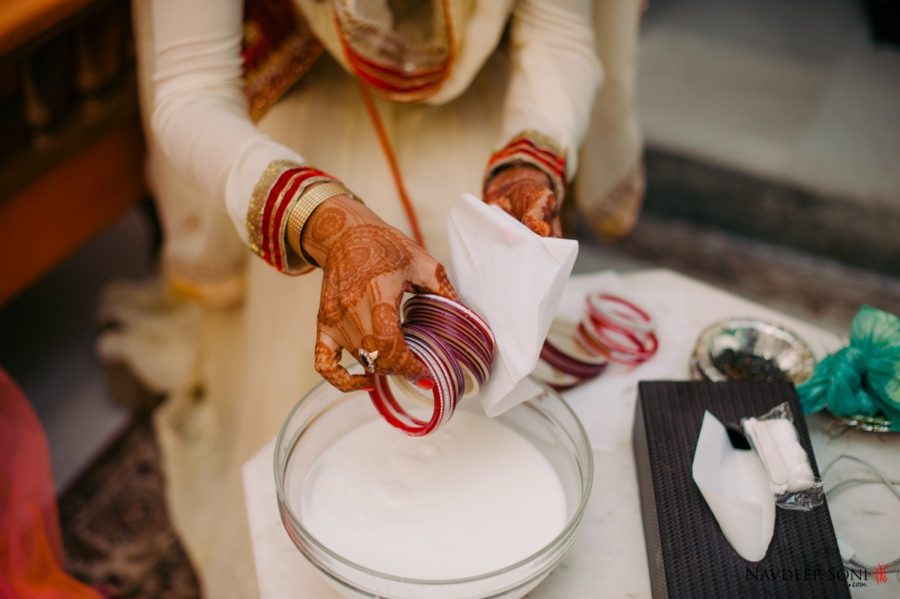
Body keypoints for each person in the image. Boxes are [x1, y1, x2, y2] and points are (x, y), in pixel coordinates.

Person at [108, 0, 643, 595]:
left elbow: (560, 30)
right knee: (308, 382)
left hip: (476, 102)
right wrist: (326, 223)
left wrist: (527, 164)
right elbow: (190, 92)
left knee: (492, 347)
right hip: (301, 121)